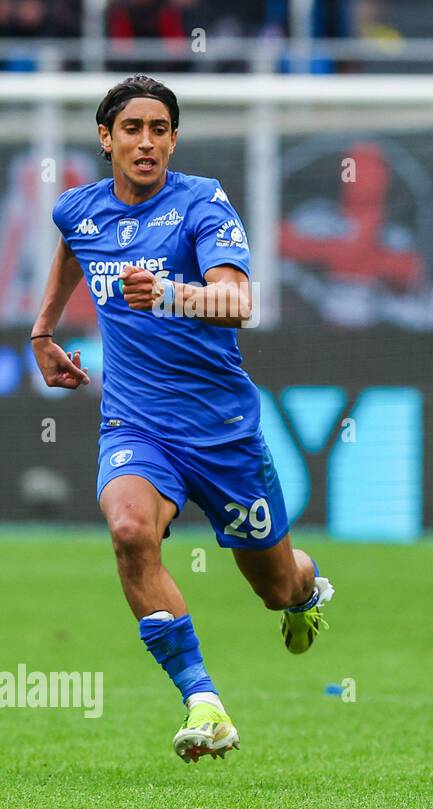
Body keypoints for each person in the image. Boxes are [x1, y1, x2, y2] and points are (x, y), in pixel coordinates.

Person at [31, 74, 335, 763]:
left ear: (173, 140)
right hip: (137, 427)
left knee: (276, 585)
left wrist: (169, 293)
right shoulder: (80, 209)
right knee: (131, 529)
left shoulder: (203, 203)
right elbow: (71, 248)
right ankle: (205, 703)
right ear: (106, 140)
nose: (147, 141)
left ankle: (306, 588)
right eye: (132, 129)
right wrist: (44, 332)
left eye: (160, 129)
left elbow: (239, 302)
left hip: (224, 433)